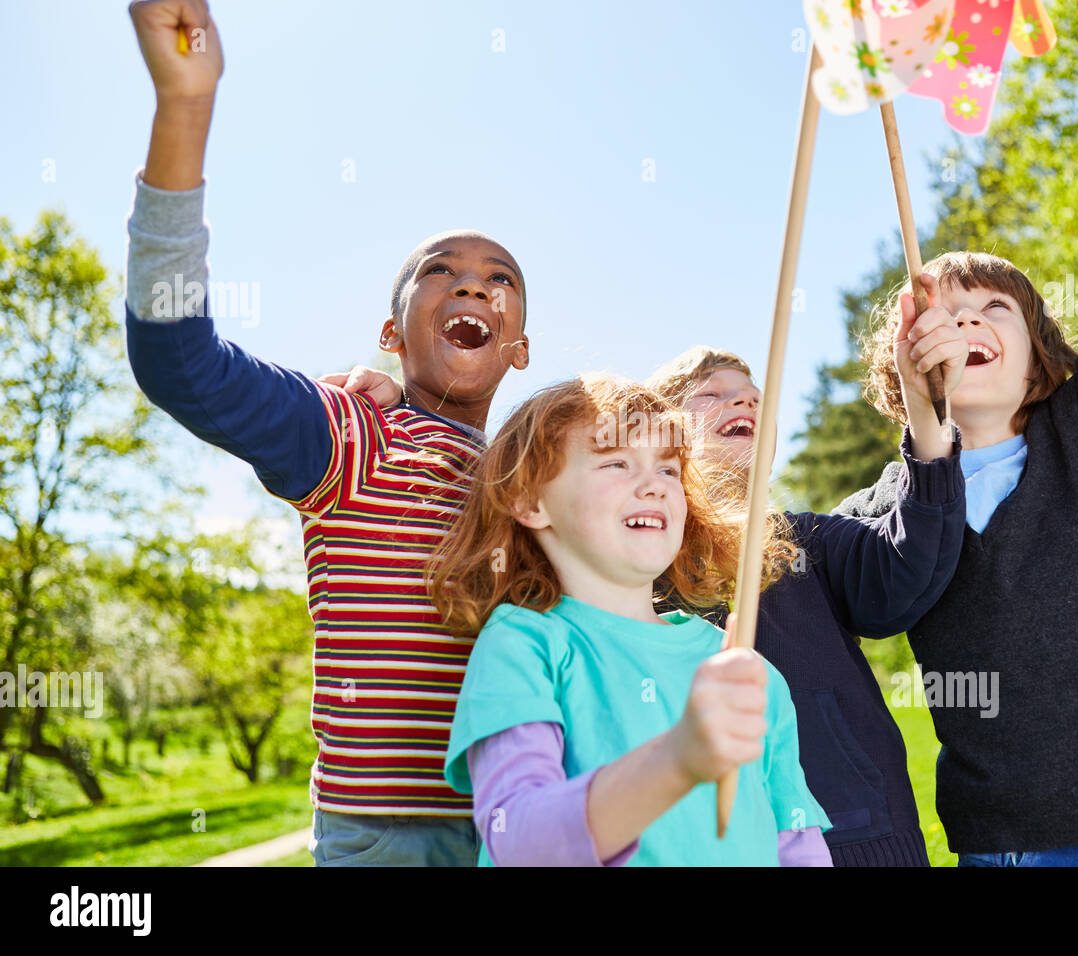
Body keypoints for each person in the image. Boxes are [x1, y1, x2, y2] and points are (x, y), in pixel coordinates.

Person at [124, 0, 529, 865]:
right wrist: (186, 105)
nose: (470, 287)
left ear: (520, 345)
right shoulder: (354, 433)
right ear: (392, 333)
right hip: (387, 839)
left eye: (498, 279)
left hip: (532, 823)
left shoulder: (542, 474)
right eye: (439, 273)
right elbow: (178, 361)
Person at [834, 0, 1078, 867]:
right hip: (1010, 846)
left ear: (1039, 349)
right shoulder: (885, 508)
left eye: (994, 309)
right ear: (905, 359)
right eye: (941, 312)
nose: (967, 320)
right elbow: (854, 601)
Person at [432, 375, 830, 865]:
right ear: (530, 500)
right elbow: (517, 839)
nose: (654, 486)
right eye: (617, 462)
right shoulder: (524, 644)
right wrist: (677, 759)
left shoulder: (744, 667)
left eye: (668, 471)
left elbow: (795, 843)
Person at [647, 347, 965, 865]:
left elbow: (906, 569)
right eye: (711, 395)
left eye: (755, 397)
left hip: (861, 837)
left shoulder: (806, 540)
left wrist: (929, 437)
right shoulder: (641, 558)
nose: (745, 400)